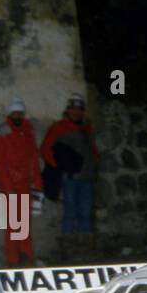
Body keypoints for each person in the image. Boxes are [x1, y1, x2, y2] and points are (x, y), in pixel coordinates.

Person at [0, 99, 42, 267]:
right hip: (11, 184)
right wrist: (7, 187)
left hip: (25, 184)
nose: (18, 116)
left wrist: (37, 183)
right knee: (13, 224)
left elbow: (33, 158)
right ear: (9, 114)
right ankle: (12, 259)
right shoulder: (2, 132)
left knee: (24, 222)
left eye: (20, 113)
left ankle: (26, 255)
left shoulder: (28, 131)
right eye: (15, 113)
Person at [42, 93, 99, 243]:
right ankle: (67, 245)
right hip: (70, 178)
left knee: (85, 212)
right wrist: (59, 167)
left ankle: (85, 244)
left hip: (86, 177)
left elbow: (93, 150)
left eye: (79, 109)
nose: (76, 112)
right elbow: (45, 149)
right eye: (73, 109)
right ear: (68, 110)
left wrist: (94, 165)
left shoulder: (87, 129)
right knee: (70, 211)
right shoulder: (58, 127)